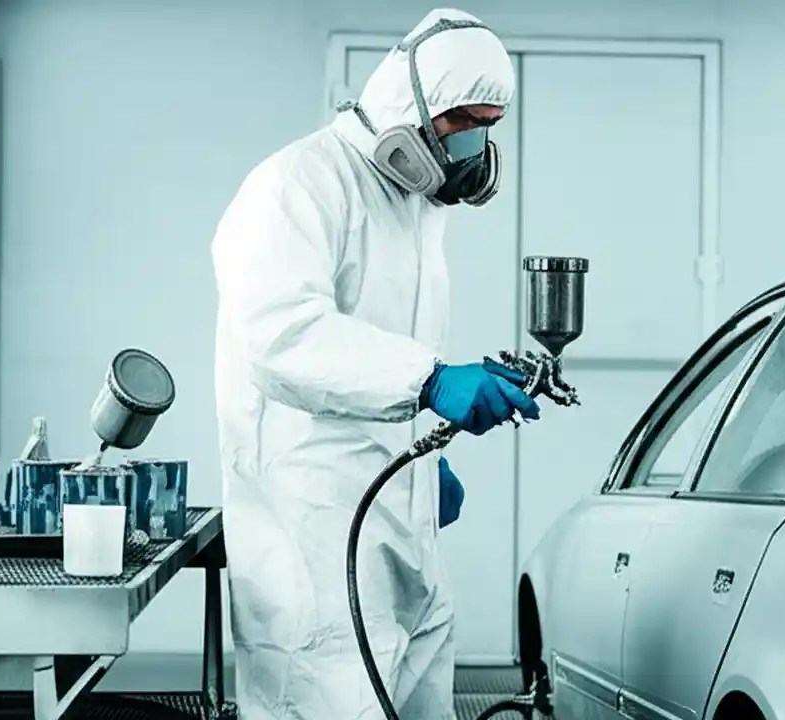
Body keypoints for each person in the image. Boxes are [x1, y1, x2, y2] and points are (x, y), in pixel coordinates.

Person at [211, 8, 536, 719]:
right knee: (332, 701)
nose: (477, 146)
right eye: (464, 123)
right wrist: (430, 380)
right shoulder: (297, 185)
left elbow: (380, 343)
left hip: (398, 521)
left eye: (490, 124)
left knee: (419, 700)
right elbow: (281, 337)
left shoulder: (417, 207)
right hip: (317, 532)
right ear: (410, 111)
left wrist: (422, 466)